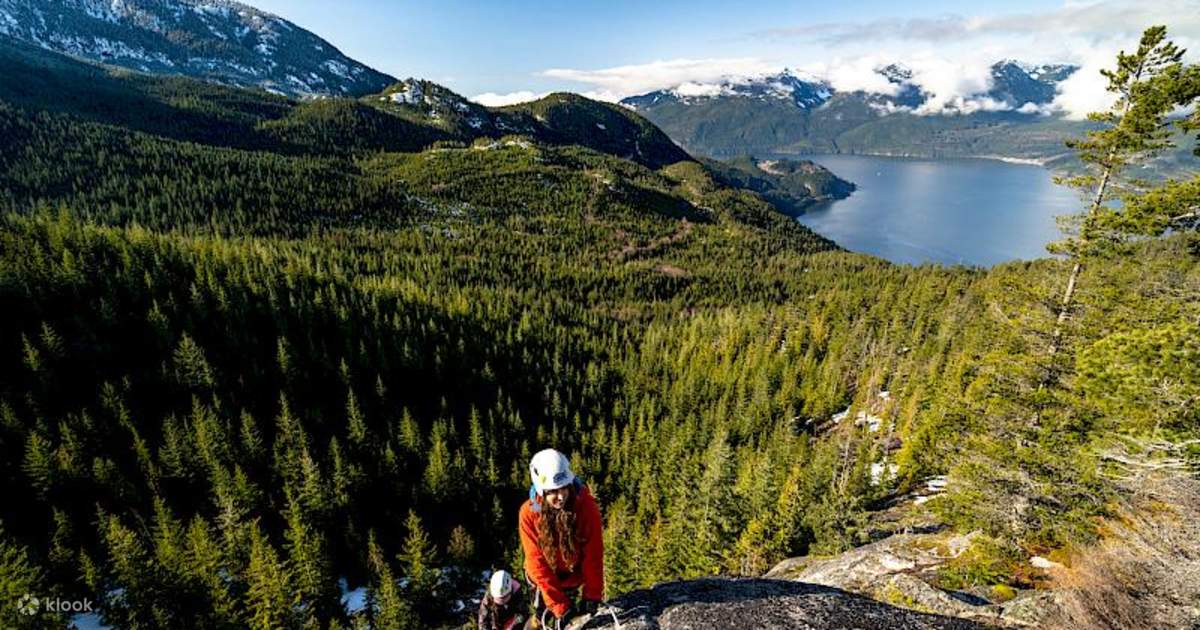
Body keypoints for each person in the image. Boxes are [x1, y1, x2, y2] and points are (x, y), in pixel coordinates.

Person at [518, 449, 604, 629]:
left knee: (569, 619)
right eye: (553, 491)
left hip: (573, 575)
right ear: (541, 490)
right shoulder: (528, 514)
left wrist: (592, 594)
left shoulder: (586, 507)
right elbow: (536, 561)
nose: (561, 496)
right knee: (541, 616)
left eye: (564, 487)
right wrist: (559, 605)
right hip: (544, 578)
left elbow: (593, 553)